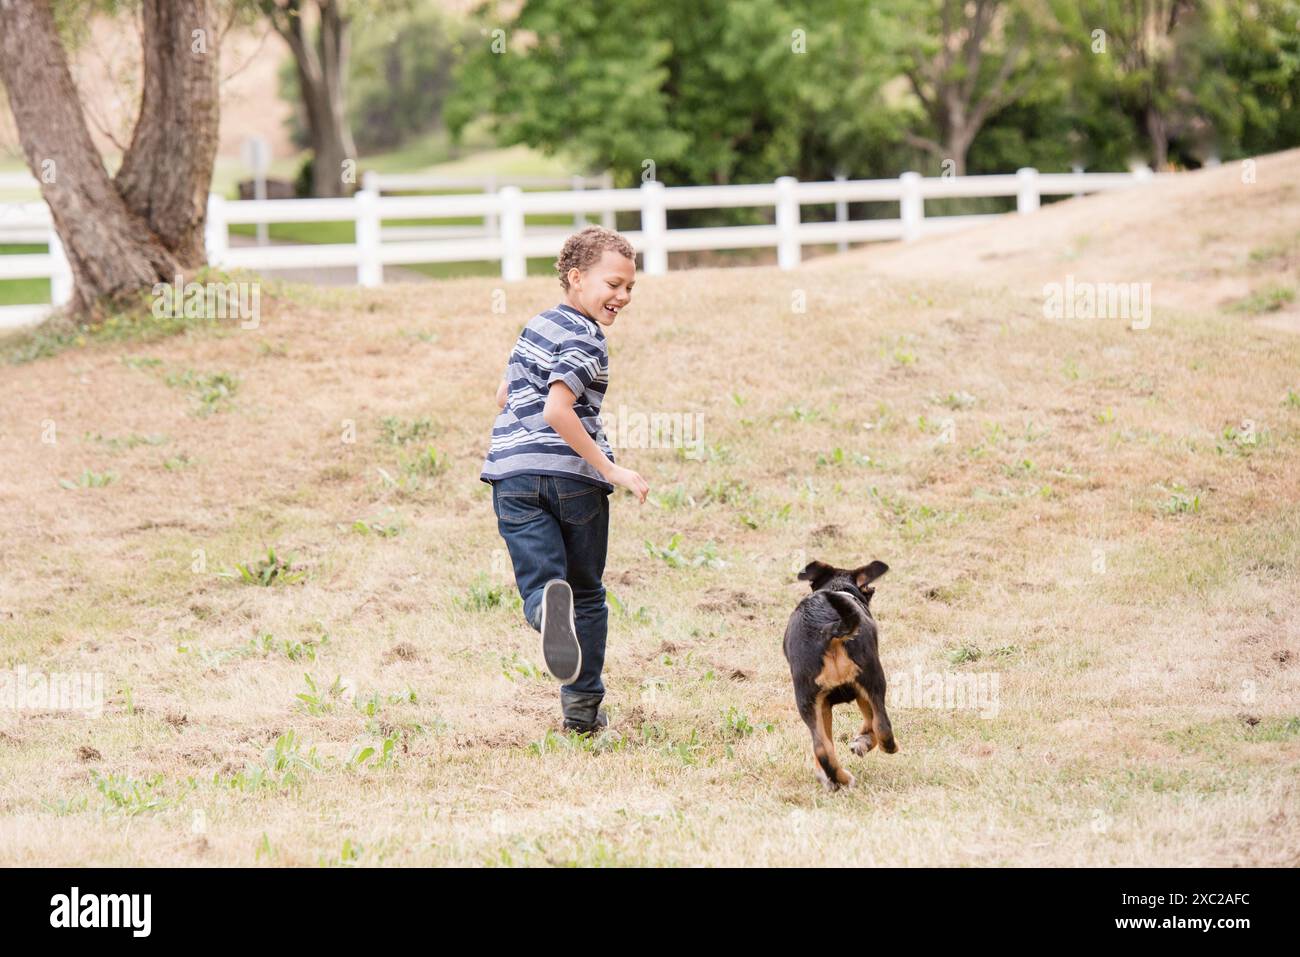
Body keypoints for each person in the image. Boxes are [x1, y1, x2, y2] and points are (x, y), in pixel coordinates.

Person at [480, 226, 649, 733]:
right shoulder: (586, 336)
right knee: (587, 594)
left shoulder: (537, 326)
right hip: (573, 479)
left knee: (544, 583)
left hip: (514, 477)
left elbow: (505, 391)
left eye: (629, 289)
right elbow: (559, 409)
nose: (621, 297)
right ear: (575, 278)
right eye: (613, 284)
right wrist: (610, 468)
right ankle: (581, 713)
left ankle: (543, 608)